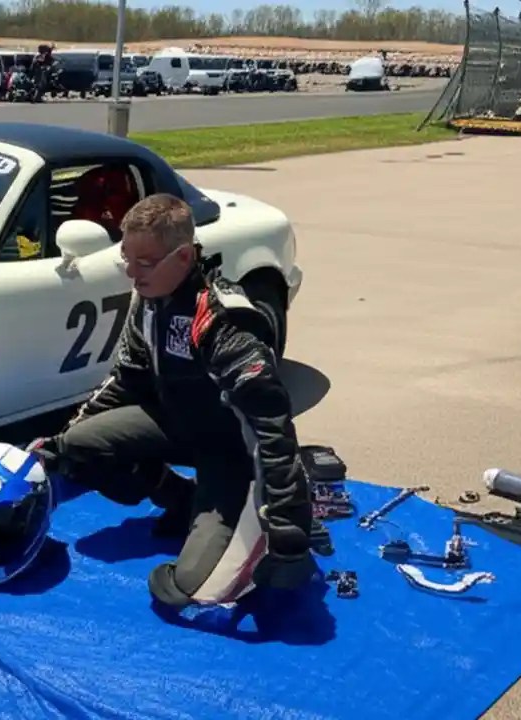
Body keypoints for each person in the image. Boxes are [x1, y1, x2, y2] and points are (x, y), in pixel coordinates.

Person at [27, 193, 314, 609]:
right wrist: (58, 442)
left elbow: (273, 425)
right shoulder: (149, 300)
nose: (131, 272)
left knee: (189, 591)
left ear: (183, 257)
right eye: (126, 257)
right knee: (77, 448)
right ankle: (180, 500)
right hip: (176, 424)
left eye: (144, 263)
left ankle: (233, 517)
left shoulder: (223, 320)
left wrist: (289, 532)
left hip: (229, 452)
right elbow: (126, 379)